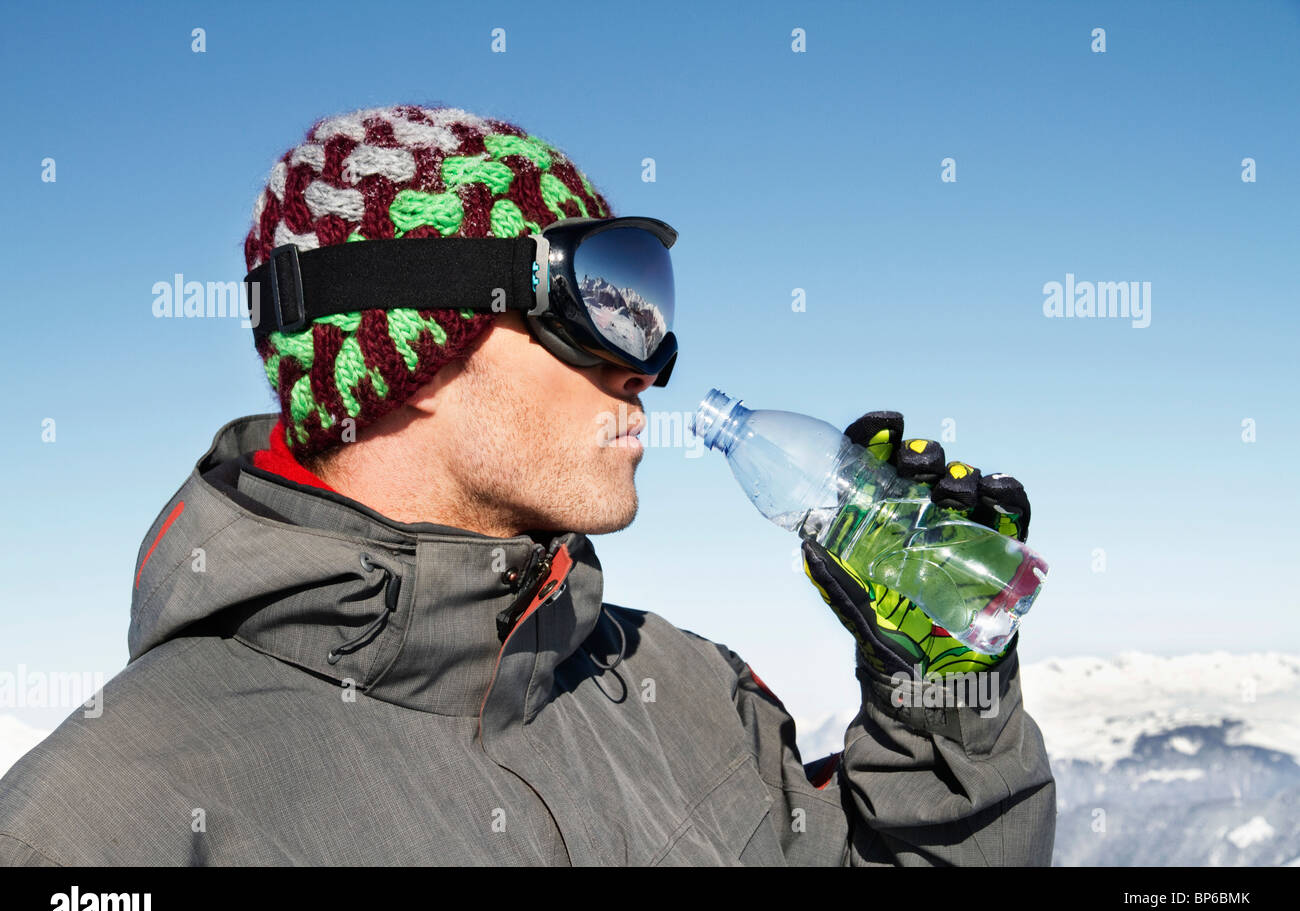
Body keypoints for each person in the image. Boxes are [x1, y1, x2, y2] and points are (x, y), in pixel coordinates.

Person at [0, 105, 1055, 865]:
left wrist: (940, 694)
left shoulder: (679, 687)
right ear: (409, 349)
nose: (645, 362)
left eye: (645, 304)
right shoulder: (111, 815)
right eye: (600, 304)